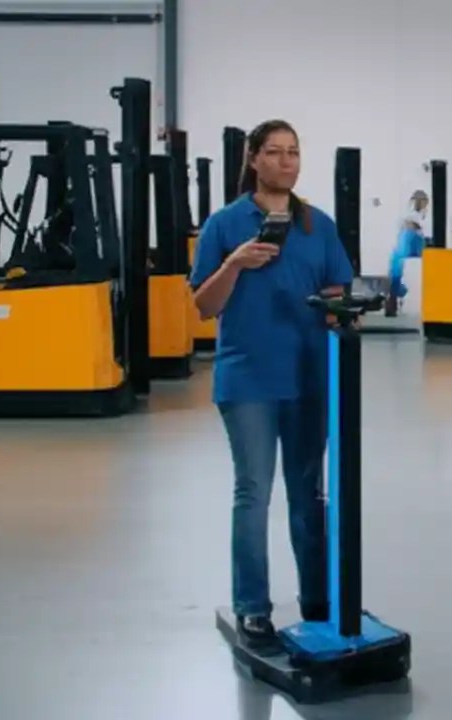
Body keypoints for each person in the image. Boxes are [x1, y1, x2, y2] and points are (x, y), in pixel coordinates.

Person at [189, 119, 355, 647]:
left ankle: (317, 599)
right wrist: (235, 264)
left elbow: (338, 289)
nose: (287, 162)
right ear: (254, 159)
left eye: (294, 153)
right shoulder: (224, 225)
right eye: (276, 152)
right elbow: (204, 306)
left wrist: (337, 309)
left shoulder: (317, 225)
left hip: (308, 376)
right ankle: (253, 608)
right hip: (248, 379)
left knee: (308, 494)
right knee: (253, 491)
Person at [386, 189, 430, 311]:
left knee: (398, 267)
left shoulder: (421, 215)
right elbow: (408, 224)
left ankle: (395, 295)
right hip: (411, 241)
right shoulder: (409, 215)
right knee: (398, 268)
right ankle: (394, 296)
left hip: (414, 241)